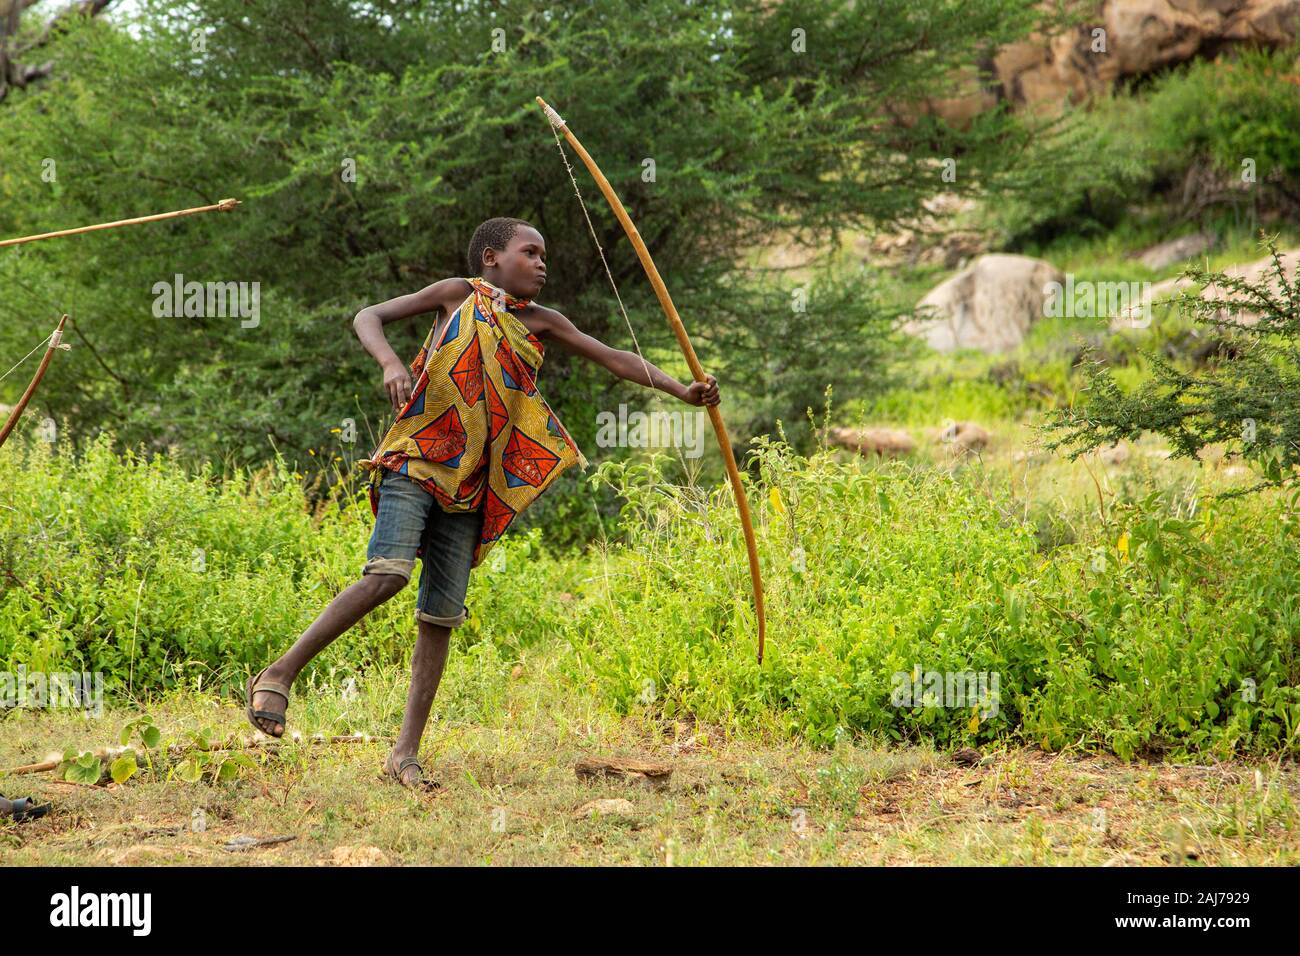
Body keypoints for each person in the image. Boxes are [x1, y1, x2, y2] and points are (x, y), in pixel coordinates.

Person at [246, 216, 720, 789]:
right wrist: (392, 364)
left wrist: (682, 391)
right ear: (492, 258)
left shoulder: (542, 323)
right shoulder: (455, 296)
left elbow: (617, 357)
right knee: (388, 575)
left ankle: (405, 755)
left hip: (472, 486)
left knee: (440, 617)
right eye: (531, 252)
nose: (542, 263)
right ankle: (279, 673)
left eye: (545, 255)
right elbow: (366, 317)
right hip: (415, 460)